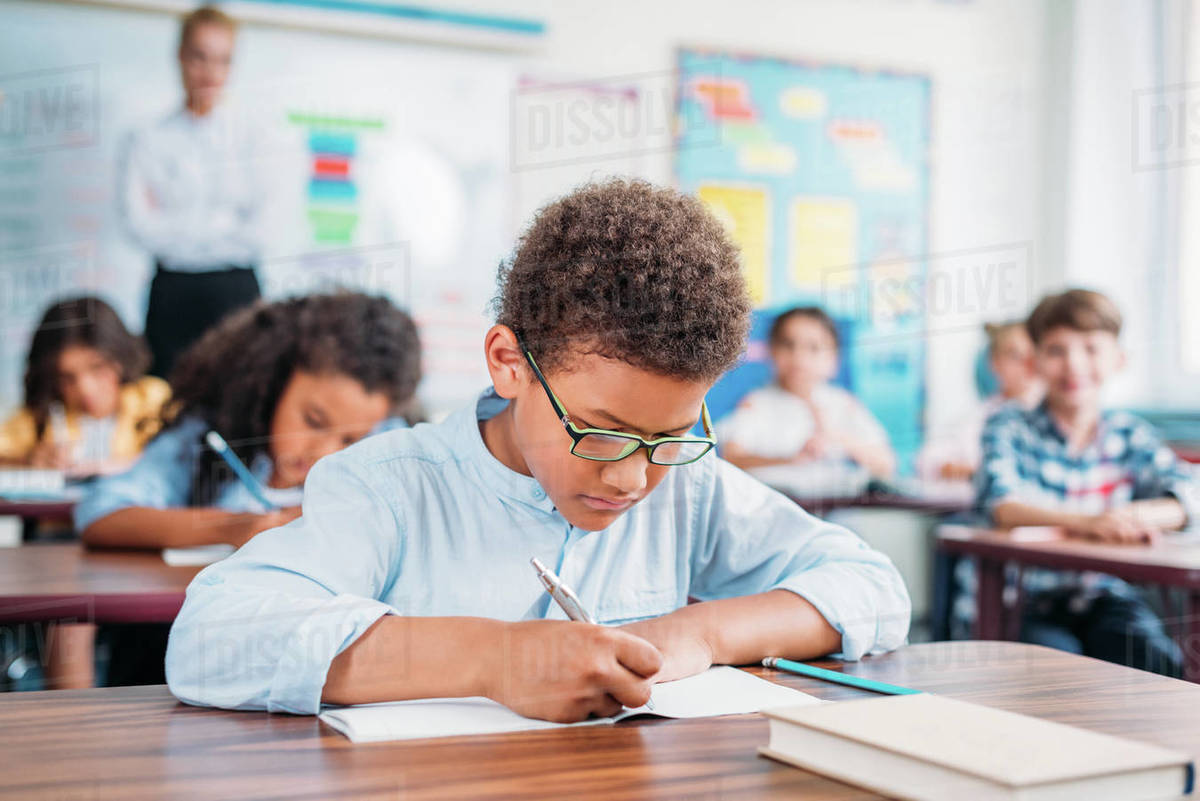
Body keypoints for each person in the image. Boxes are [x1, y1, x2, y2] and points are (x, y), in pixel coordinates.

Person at [165, 179, 911, 718]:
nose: (631, 475)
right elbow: (210, 638)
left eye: (669, 437)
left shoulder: (689, 485)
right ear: (508, 362)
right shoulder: (391, 485)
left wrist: (697, 631)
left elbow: (871, 584)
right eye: (600, 429)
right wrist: (494, 657)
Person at [962, 289, 1198, 675]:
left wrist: (1140, 515)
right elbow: (1002, 505)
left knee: (1162, 666)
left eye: (1091, 348)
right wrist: (1093, 522)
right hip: (1025, 602)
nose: (1074, 365)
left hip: (1102, 596)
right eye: (1056, 350)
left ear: (1119, 359)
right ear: (1035, 361)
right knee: (1059, 673)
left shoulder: (1129, 434)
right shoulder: (1008, 425)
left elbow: (1189, 494)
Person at [76, 292, 421, 551]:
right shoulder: (208, 436)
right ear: (275, 383)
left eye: (350, 439)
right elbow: (99, 514)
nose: (324, 452)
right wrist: (235, 527)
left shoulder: (387, 444)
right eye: (314, 420)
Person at [118, 5, 264, 378]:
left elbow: (262, 228)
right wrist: (222, 223)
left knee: (240, 395)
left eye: (223, 61)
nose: (211, 73)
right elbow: (140, 226)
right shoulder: (146, 138)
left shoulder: (257, 137)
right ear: (181, 57)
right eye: (200, 57)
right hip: (173, 292)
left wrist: (179, 225)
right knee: (166, 399)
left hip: (236, 291)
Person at [719, 306, 896, 479]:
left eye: (814, 348)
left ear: (834, 360)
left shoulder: (844, 404)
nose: (799, 357)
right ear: (771, 352)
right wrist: (790, 460)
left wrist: (836, 438)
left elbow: (886, 464)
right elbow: (731, 457)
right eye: (788, 345)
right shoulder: (756, 404)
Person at [0, 296, 169, 475]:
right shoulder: (40, 415)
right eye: (67, 377)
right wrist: (29, 460)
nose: (85, 388)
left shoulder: (152, 399)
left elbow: (184, 456)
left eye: (97, 368)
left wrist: (120, 466)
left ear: (120, 358)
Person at [916, 320, 1043, 481]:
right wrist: (957, 470)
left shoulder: (1059, 413)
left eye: (1033, 353)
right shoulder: (978, 420)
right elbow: (927, 460)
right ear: (994, 363)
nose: (1027, 363)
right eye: (1014, 355)